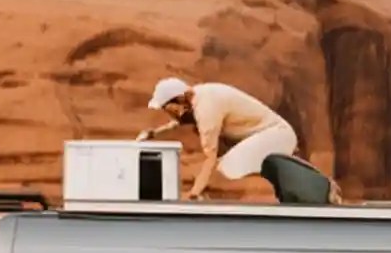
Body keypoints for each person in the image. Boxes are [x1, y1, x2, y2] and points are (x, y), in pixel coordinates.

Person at [137, 77, 340, 203]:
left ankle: (321, 189)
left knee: (229, 167)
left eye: (167, 107)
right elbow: (180, 122)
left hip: (275, 135)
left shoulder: (207, 108)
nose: (167, 112)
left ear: (179, 100)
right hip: (267, 136)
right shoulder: (199, 97)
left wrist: (193, 194)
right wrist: (153, 133)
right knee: (230, 165)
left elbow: (210, 156)